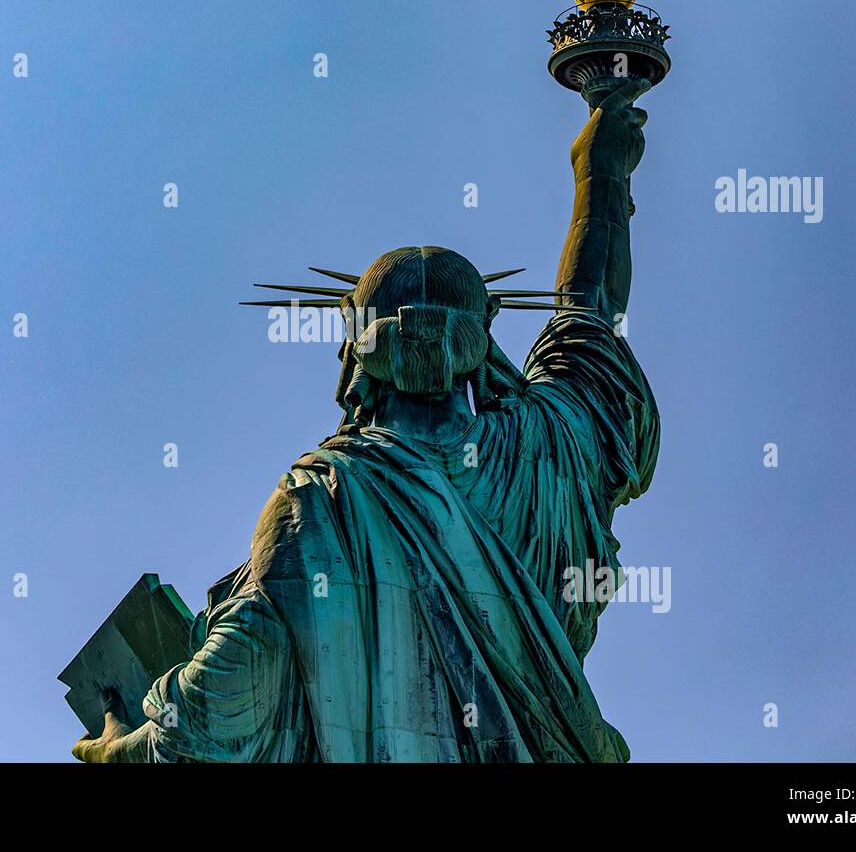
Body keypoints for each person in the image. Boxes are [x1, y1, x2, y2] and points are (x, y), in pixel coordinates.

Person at [73, 77, 658, 762]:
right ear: (481, 347)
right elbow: (587, 316)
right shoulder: (547, 453)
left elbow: (220, 710)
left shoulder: (319, 499)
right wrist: (601, 170)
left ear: (357, 356)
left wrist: (116, 746)